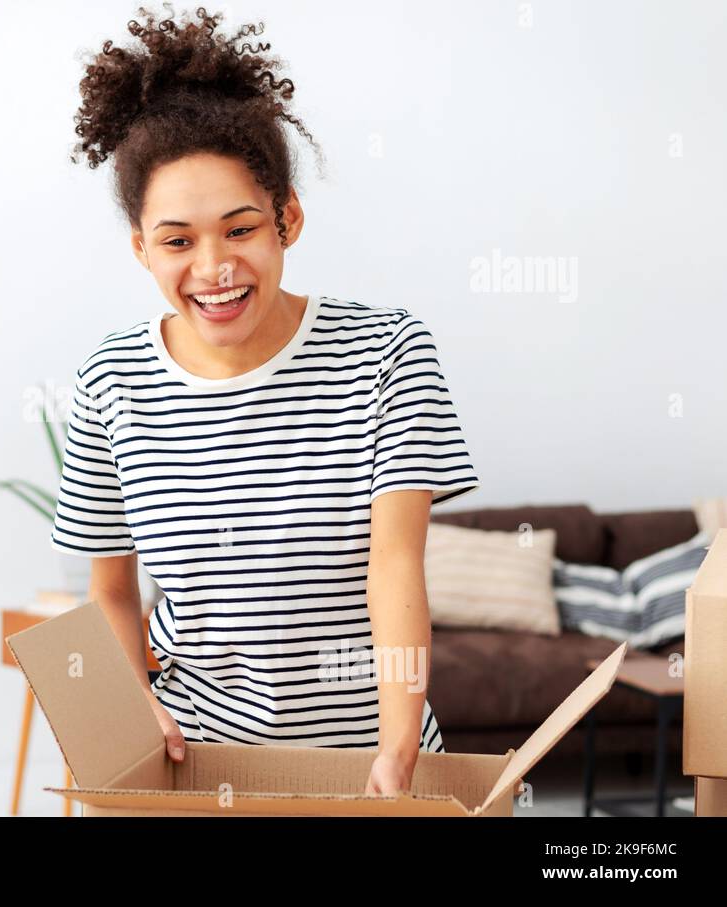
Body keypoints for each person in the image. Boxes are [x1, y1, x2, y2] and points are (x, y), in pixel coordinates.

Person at [50, 6, 480, 796]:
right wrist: (133, 705)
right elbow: (111, 589)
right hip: (202, 766)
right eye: (177, 240)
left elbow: (394, 565)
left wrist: (396, 746)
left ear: (288, 219)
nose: (213, 267)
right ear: (142, 248)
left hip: (373, 762)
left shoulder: (388, 354)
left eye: (240, 228)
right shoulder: (109, 382)